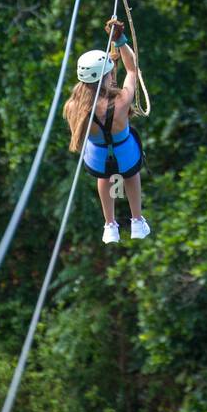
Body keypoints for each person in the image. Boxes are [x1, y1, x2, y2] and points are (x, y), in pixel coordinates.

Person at [62, 18, 150, 244]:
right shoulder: (121, 101)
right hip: (125, 150)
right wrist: (120, 40)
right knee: (130, 174)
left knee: (105, 177)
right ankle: (137, 220)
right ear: (106, 76)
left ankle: (110, 225)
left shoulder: (74, 107)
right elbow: (132, 69)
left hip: (98, 156)